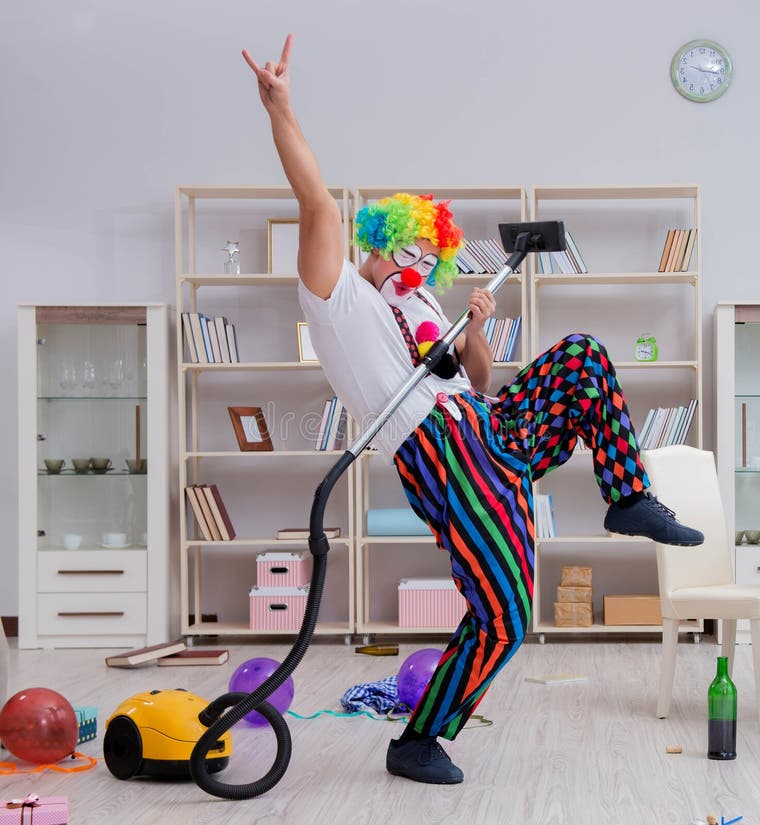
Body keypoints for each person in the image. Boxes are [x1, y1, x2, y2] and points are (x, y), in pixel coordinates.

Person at [243, 35, 704, 786]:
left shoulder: (426, 304)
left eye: (430, 253)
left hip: (488, 425)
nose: (419, 263)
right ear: (376, 243)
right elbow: (315, 200)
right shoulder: (339, 297)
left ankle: (627, 497)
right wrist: (283, 109)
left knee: (581, 354)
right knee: (507, 616)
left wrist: (478, 325)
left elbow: (480, 379)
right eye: (408, 249)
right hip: (441, 452)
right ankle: (418, 741)